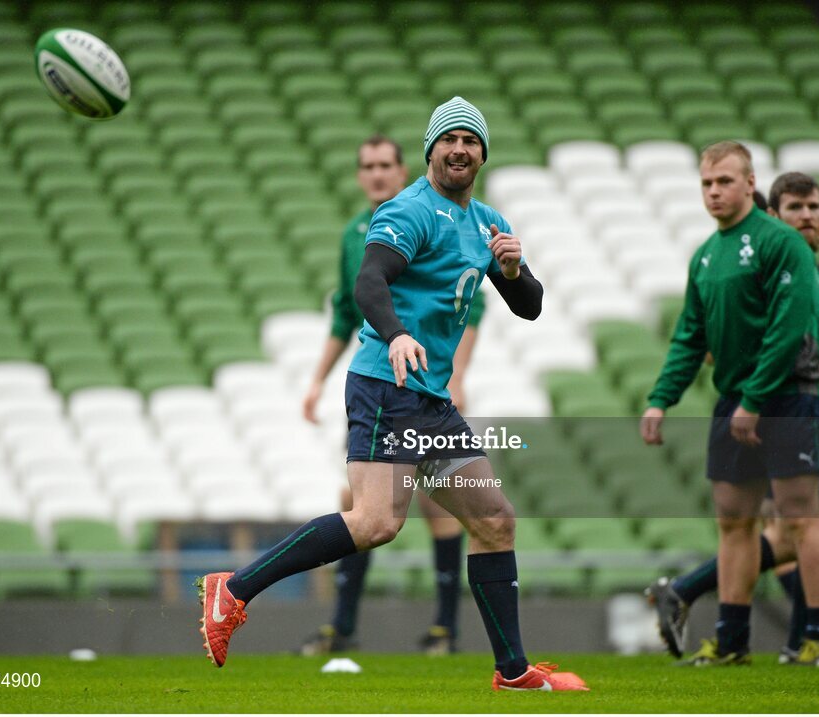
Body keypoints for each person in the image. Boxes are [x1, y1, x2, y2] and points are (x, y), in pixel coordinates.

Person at [197, 97, 588, 691]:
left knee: (495, 521)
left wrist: (512, 271)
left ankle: (512, 673)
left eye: (471, 140)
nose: (460, 148)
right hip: (387, 383)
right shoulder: (408, 210)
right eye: (448, 139)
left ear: (483, 153)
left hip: (430, 397)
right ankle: (234, 589)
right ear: (430, 150)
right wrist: (398, 334)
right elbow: (368, 281)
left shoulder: (485, 220)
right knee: (377, 522)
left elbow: (529, 308)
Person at [639, 141, 819, 668]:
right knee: (733, 523)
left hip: (787, 399)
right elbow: (689, 337)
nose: (714, 192)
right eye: (706, 184)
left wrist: (755, 398)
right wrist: (660, 399)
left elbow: (791, 327)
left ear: (750, 183)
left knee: (803, 519)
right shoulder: (705, 256)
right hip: (734, 403)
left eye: (724, 181)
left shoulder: (782, 244)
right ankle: (731, 640)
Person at [298, 135, 485, 656]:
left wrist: (460, 375)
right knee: (362, 506)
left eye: (386, 165)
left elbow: (473, 304)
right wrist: (316, 380)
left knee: (436, 502)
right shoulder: (354, 234)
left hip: (427, 382)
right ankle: (341, 626)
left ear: (405, 169)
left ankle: (445, 628)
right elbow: (346, 311)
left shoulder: (431, 216)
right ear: (359, 175)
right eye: (368, 167)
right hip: (380, 379)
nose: (377, 174)